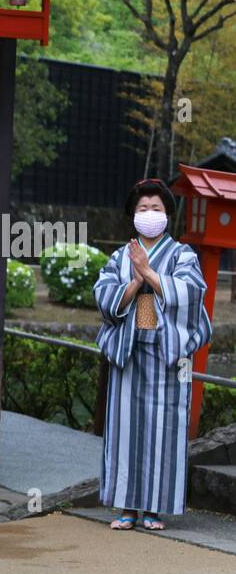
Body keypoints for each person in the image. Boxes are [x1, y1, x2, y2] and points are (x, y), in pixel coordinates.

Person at [93, 177, 213, 531]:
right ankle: (127, 506)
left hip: (167, 353)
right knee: (125, 430)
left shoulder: (181, 254)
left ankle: (154, 508)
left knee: (164, 430)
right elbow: (104, 296)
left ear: (167, 215)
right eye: (143, 208)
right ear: (133, 215)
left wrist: (147, 271)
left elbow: (193, 294)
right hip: (130, 349)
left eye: (156, 208)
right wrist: (134, 282)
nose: (149, 213)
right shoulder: (120, 256)